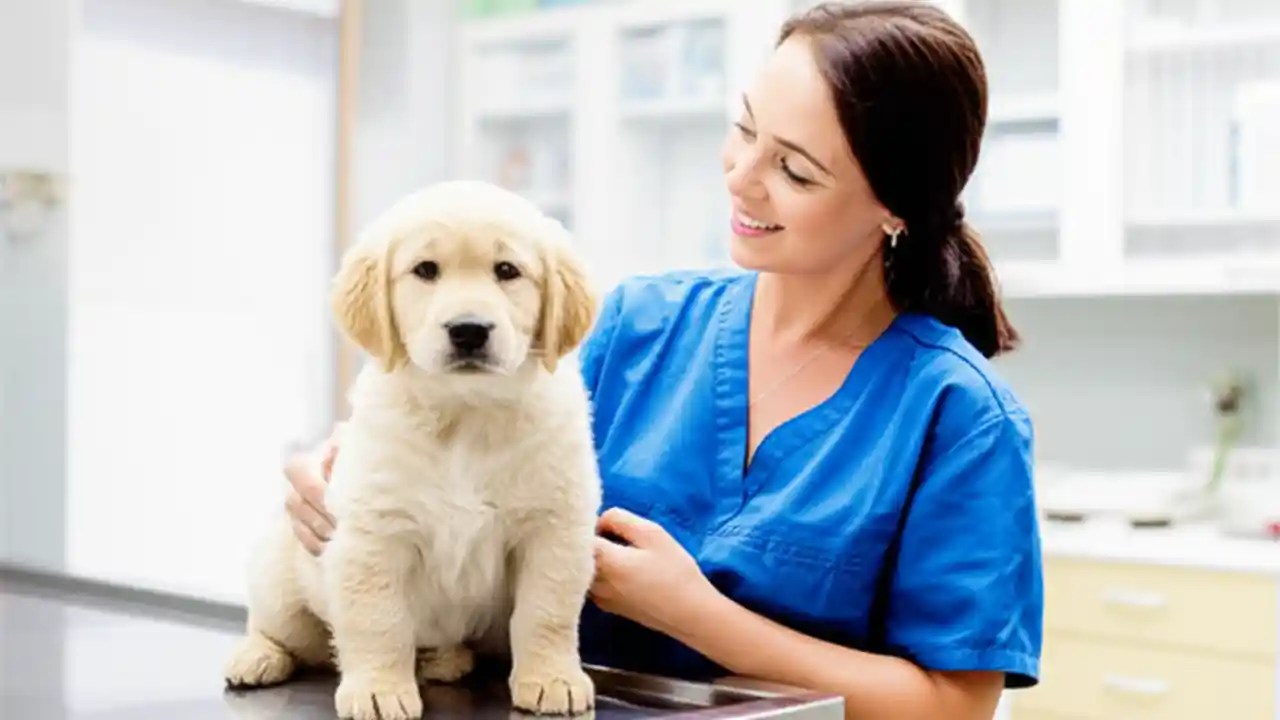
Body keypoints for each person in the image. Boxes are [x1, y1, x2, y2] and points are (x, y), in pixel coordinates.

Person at [283, 2, 1042, 718]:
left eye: (796, 170)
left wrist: (697, 615)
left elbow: (952, 706)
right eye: (744, 130)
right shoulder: (639, 326)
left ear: (894, 208)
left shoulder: (959, 417)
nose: (741, 177)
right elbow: (478, 470)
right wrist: (356, 468)